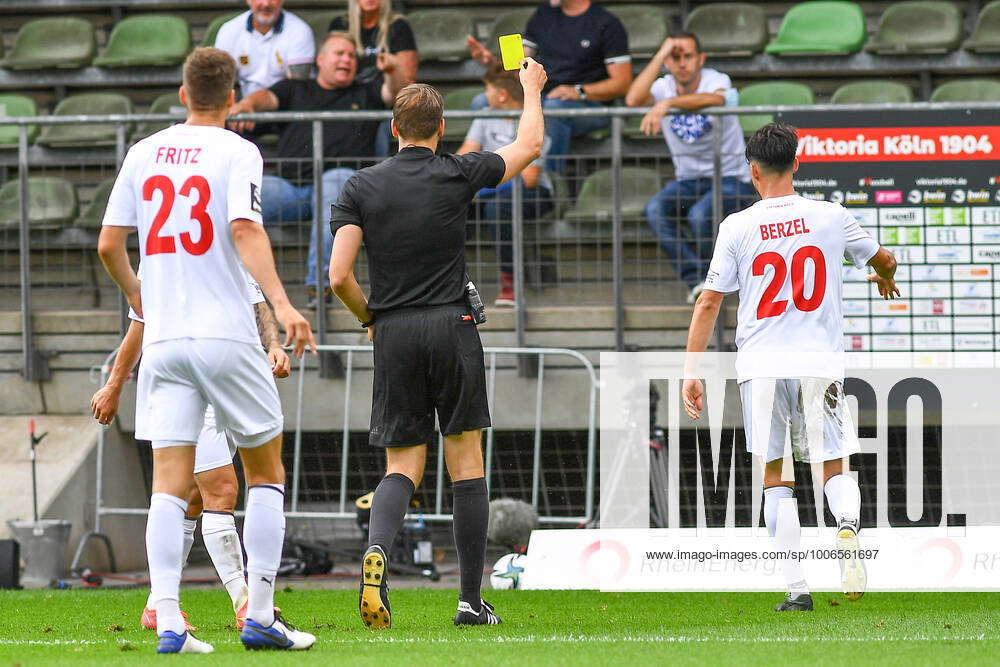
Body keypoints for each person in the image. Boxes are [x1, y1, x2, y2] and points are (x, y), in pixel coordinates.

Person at [97, 47, 316, 653]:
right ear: (233, 93)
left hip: (164, 340)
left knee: (168, 484)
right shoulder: (238, 150)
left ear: (182, 90)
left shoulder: (143, 152)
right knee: (265, 473)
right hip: (224, 334)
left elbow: (109, 243)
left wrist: (141, 293)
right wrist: (281, 303)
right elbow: (244, 228)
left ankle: (170, 620)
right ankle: (262, 615)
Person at [327, 59, 549, 628]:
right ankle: (469, 600)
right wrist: (529, 88)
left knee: (403, 464)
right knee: (465, 461)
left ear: (394, 128)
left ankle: (377, 550)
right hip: (452, 326)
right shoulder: (457, 172)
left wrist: (370, 319)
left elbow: (337, 277)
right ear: (440, 129)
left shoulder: (361, 185)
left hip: (394, 330)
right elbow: (529, 144)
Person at [681, 122, 899, 612]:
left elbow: (709, 302)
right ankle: (845, 526)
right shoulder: (829, 215)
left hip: (761, 364)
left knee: (775, 475)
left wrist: (690, 371)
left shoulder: (737, 225)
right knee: (832, 462)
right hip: (819, 361)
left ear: (752, 170)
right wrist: (884, 273)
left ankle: (797, 590)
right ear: (797, 164)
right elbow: (883, 259)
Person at [89, 273, 291, 632]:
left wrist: (273, 344)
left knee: (194, 498)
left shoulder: (228, 241)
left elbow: (256, 303)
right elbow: (139, 325)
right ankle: (245, 601)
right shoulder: (161, 254)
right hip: (188, 384)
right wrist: (113, 385)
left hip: (231, 381)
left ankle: (156, 605)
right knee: (222, 489)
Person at [228, 31, 407, 307]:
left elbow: (394, 93)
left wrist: (393, 70)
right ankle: (232, 289)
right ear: (320, 60)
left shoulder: (365, 91)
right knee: (233, 199)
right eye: (339, 53)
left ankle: (320, 288)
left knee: (335, 183)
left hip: (341, 190)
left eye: (351, 56)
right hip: (291, 189)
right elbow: (267, 98)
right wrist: (248, 104)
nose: (346, 60)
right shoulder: (295, 88)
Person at [626, 32, 757, 303]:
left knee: (699, 216)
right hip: (690, 180)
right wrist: (661, 55)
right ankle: (697, 280)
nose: (682, 63)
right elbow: (633, 99)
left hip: (732, 177)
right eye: (675, 58)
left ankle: (721, 279)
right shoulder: (663, 86)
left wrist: (667, 104)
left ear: (700, 59)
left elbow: (716, 99)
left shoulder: (715, 79)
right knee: (655, 210)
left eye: (687, 56)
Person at [466, 0, 631, 172]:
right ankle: (490, 176)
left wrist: (579, 91)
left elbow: (622, 83)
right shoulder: (543, 14)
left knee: (553, 108)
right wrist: (491, 62)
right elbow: (519, 65)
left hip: (590, 105)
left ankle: (546, 185)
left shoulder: (607, 23)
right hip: (541, 94)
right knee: (482, 101)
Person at [458, 64, 554, 307]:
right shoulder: (483, 117)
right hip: (490, 191)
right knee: (453, 206)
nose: (485, 95)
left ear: (502, 95)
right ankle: (449, 282)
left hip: (534, 194)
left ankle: (510, 283)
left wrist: (481, 188)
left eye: (487, 89)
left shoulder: (534, 119)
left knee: (498, 207)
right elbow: (464, 156)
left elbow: (529, 177)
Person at [329, 0, 419, 157]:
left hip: (384, 102)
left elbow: (408, 80)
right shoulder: (341, 24)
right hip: (347, 98)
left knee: (378, 125)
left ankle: (374, 177)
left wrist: (391, 67)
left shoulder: (398, 25)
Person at [214, 0, 316, 97]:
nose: (266, 4)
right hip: (240, 105)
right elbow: (220, 81)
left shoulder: (300, 31)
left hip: (285, 105)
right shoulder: (228, 30)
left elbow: (297, 87)